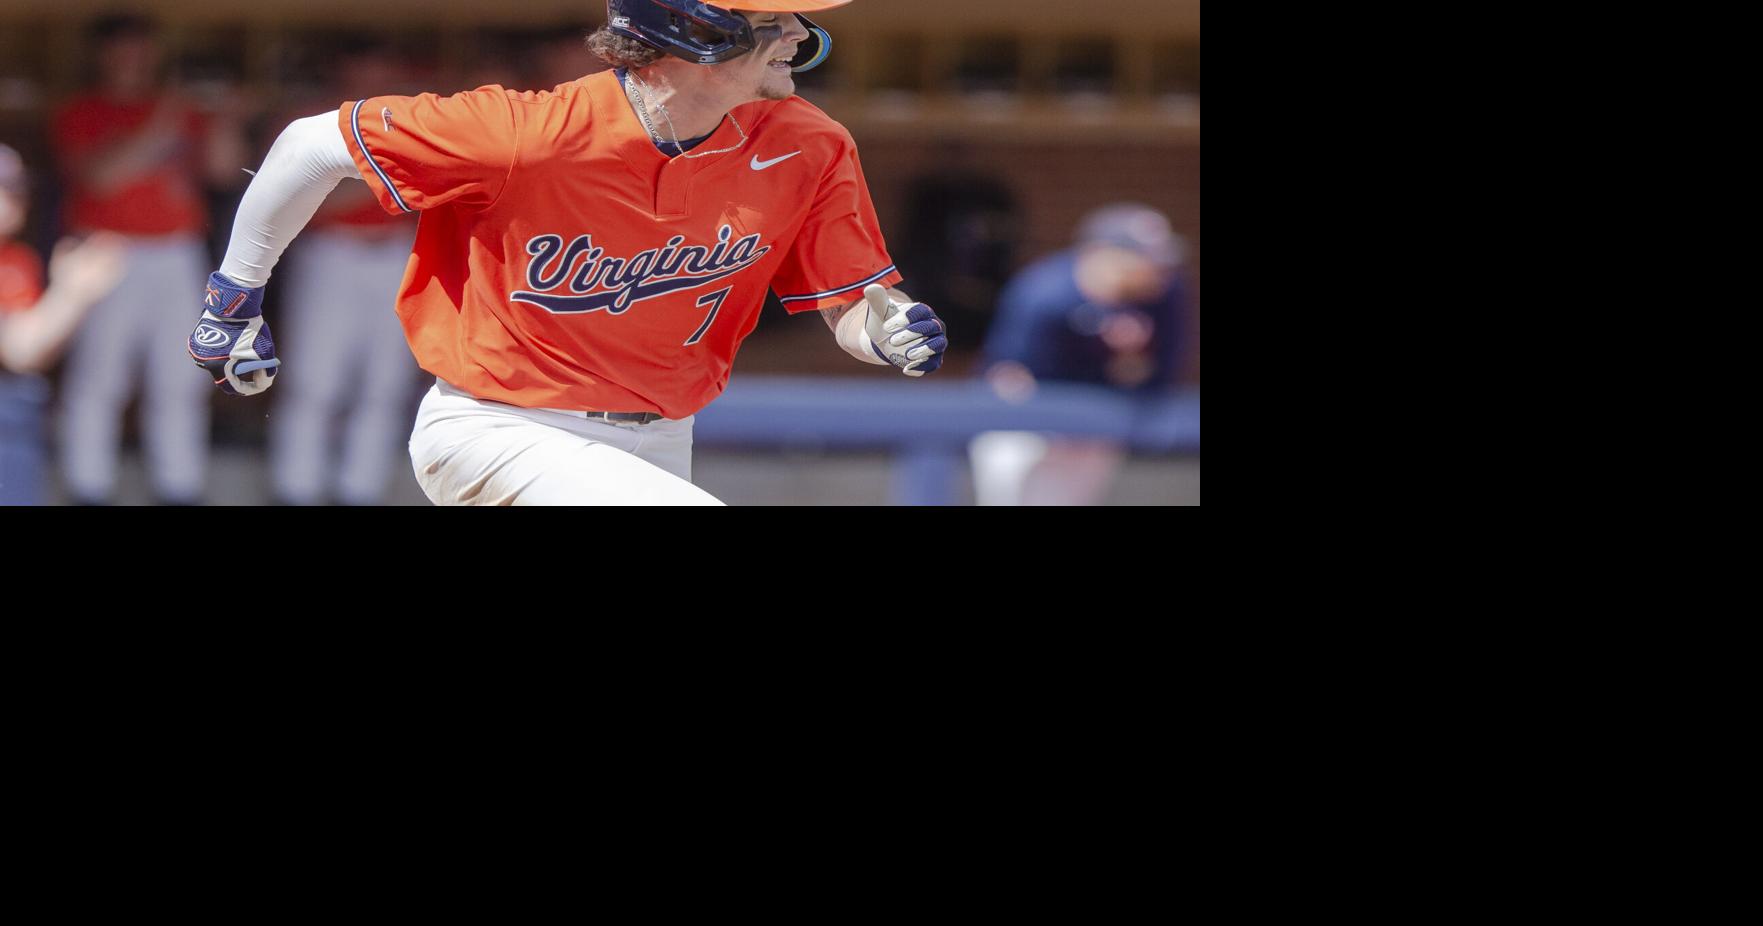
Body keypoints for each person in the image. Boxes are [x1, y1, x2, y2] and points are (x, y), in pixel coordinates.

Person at [188, 0, 947, 506]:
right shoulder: (528, 130)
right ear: (693, 35)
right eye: (771, 20)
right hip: (502, 427)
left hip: (662, 437)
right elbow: (311, 144)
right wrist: (234, 296)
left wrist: (885, 331)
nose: (797, 36)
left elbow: (852, 303)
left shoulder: (806, 143)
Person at [53, 14, 249, 504]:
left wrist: (225, 116)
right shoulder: (84, 110)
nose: (134, 59)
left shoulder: (183, 109)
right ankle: (87, 484)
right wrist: (164, 119)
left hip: (177, 251)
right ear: (102, 54)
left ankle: (179, 485)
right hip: (106, 250)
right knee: (100, 376)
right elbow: (102, 176)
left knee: (182, 375)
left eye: (142, 48)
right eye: (123, 48)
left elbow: (224, 172)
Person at [266, 42, 421, 505]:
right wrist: (390, 182)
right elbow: (295, 204)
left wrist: (375, 183)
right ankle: (297, 488)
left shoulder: (411, 118)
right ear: (340, 69)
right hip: (331, 254)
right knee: (315, 379)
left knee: (385, 381)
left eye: (380, 66)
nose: (371, 76)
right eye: (360, 65)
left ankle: (361, 490)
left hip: (396, 254)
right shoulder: (311, 121)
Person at [971, 203, 1189, 506]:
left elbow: (1161, 376)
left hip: (1102, 420)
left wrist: (1132, 362)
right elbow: (1009, 375)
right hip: (1030, 423)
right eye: (1143, 259)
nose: (1156, 271)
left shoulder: (1166, 296)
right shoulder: (1045, 293)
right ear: (1101, 254)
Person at [0, 144, 126, 504]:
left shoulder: (16, 259)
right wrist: (72, 293)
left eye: (19, 186)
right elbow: (20, 351)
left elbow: (31, 351)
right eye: (7, 187)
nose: (18, 197)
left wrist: (75, 293)